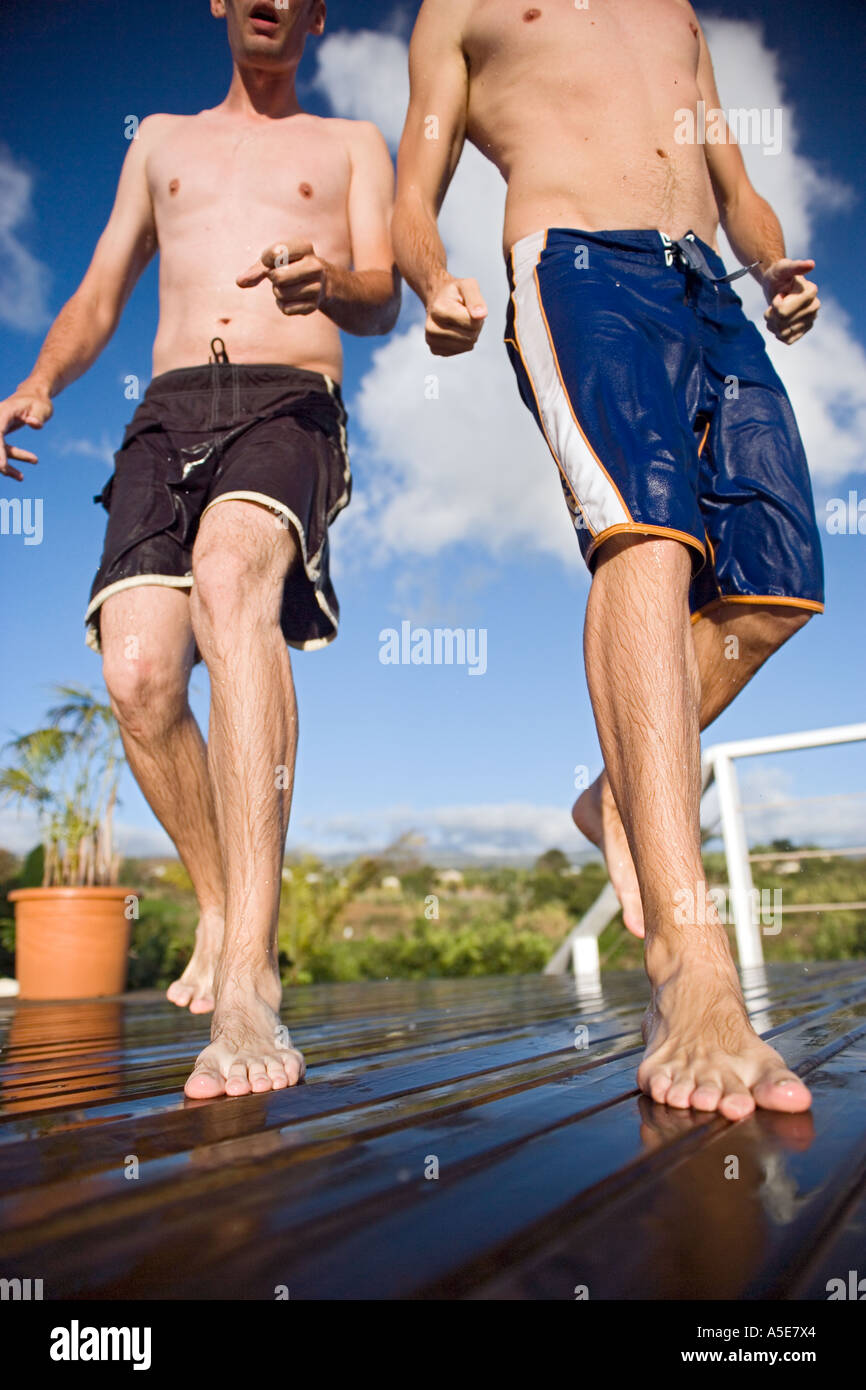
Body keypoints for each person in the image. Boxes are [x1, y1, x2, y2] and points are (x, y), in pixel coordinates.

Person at [393, 0, 822, 1119]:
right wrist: (429, 277)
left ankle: (614, 795)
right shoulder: (464, 8)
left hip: (710, 291)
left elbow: (732, 183)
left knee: (775, 590)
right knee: (646, 542)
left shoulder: (674, 13)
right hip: (576, 265)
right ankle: (689, 960)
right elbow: (411, 190)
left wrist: (772, 263)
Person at [0, 0, 400, 1098]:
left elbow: (381, 291)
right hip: (166, 408)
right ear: (222, 2)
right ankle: (220, 901)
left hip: (288, 399)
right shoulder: (159, 140)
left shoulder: (349, 144)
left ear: (316, 14)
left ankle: (247, 978)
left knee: (232, 579)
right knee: (135, 672)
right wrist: (39, 381)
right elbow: (97, 291)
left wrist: (330, 279)